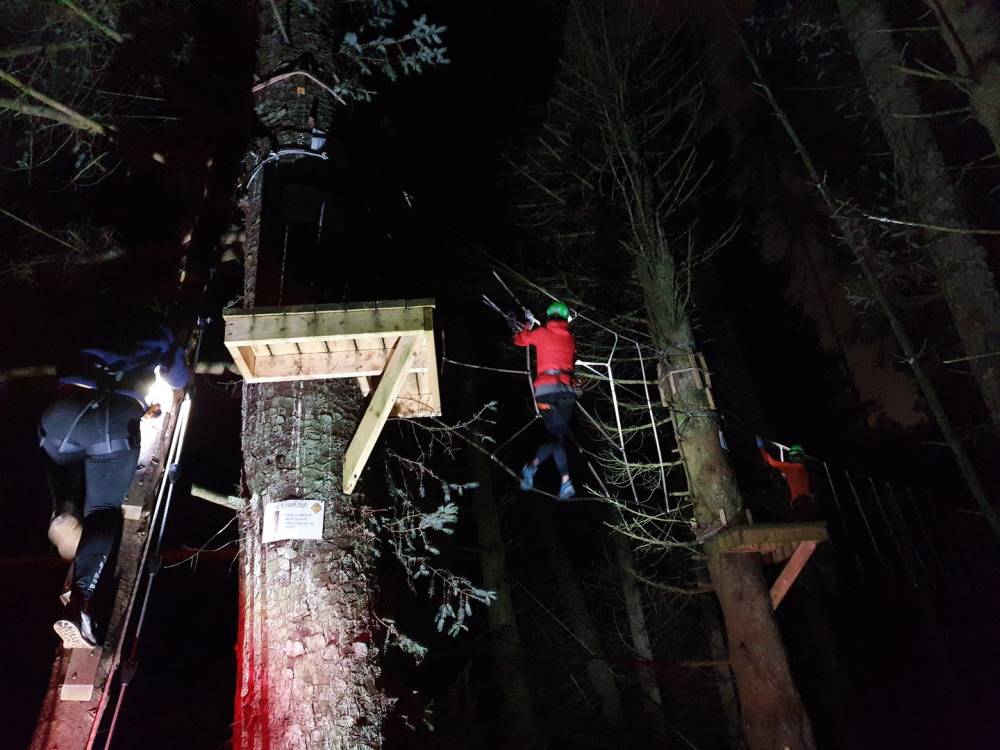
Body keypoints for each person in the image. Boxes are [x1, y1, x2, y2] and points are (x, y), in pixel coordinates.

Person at [39, 320, 190, 648]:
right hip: (113, 419)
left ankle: (63, 505)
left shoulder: (84, 313)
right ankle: (80, 603)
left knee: (62, 454)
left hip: (61, 413)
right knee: (103, 510)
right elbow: (179, 380)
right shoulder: (159, 331)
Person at [512, 300, 577, 500]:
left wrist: (529, 324)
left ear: (549, 316)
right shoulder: (570, 338)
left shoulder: (542, 333)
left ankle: (534, 468)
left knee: (555, 439)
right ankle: (564, 481)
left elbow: (519, 340)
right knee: (557, 439)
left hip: (546, 391)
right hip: (566, 391)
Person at [756, 438, 818, 521]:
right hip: (810, 504)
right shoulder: (805, 469)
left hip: (800, 504)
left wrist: (761, 448)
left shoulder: (792, 468)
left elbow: (772, 462)